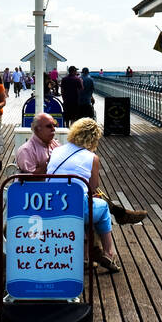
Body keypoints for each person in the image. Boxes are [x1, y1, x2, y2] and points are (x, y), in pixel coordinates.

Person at [41, 117, 147, 273]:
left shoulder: (57, 150)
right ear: (93, 139)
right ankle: (109, 253)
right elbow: (93, 187)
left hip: (50, 205)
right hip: (74, 209)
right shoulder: (92, 158)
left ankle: (86, 255)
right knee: (100, 207)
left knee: (86, 203)